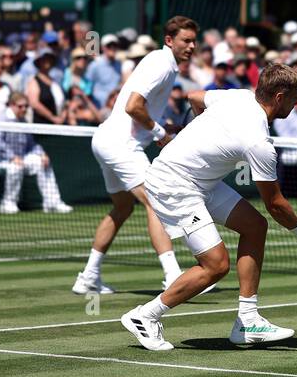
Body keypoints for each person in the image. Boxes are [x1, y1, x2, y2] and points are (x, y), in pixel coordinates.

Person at [120, 62, 297, 351]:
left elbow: (194, 97)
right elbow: (276, 203)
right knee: (216, 265)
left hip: (199, 181)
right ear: (280, 97)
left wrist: (199, 133)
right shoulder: (258, 142)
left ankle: (247, 321)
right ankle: (145, 316)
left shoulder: (240, 95)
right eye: (295, 97)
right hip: (173, 183)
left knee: (255, 226)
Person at [74, 16, 202, 296]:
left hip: (106, 140)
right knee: (156, 202)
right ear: (169, 40)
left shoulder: (164, 64)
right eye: (186, 40)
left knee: (123, 208)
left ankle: (88, 277)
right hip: (120, 144)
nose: (192, 46)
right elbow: (134, 106)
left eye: (194, 41)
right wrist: (159, 134)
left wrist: (162, 126)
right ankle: (173, 277)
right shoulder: (162, 63)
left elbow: (137, 109)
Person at [0, 93, 74, 214]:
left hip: (17, 157)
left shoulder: (23, 120)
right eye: (20, 106)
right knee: (15, 167)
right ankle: (8, 203)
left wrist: (42, 154)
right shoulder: (1, 119)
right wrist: (12, 157)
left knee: (42, 163)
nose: (24, 109)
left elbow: (31, 144)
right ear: (12, 105)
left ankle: (52, 202)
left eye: (26, 106)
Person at [26, 49, 66, 124]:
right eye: (44, 59)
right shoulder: (34, 81)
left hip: (57, 126)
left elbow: (63, 102)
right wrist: (52, 117)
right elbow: (34, 103)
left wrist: (63, 116)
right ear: (39, 62)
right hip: (41, 126)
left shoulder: (55, 82)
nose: (47, 61)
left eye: (49, 59)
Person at [85, 33, 123, 108]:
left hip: (115, 107)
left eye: (115, 46)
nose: (112, 48)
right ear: (103, 48)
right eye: (109, 46)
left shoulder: (119, 64)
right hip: (98, 108)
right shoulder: (95, 65)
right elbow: (87, 88)